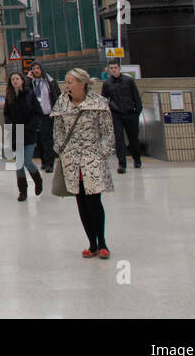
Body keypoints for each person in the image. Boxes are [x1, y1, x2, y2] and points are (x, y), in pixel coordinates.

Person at [52, 68, 116, 258]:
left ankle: (103, 243)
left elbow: (108, 131)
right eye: (66, 81)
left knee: (94, 200)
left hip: (92, 157)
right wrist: (61, 150)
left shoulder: (98, 103)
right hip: (71, 159)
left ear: (82, 84)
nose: (67, 85)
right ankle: (92, 243)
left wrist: (102, 153)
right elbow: (58, 130)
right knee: (81, 201)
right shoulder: (62, 103)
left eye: (70, 82)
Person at [3, 71, 43, 201]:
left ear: (22, 80)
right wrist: (10, 125)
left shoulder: (30, 95)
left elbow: (38, 113)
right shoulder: (9, 96)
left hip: (28, 133)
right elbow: (6, 113)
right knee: (19, 164)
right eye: (12, 79)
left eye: (17, 78)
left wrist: (31, 127)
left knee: (27, 161)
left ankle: (38, 180)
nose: (15, 81)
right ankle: (22, 191)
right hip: (16, 133)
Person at [101, 61, 144, 173]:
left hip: (130, 113)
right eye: (111, 68)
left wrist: (137, 112)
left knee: (133, 138)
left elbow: (136, 96)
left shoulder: (128, 81)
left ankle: (137, 159)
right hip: (116, 114)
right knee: (119, 139)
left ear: (119, 68)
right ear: (109, 69)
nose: (113, 70)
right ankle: (122, 164)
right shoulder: (107, 84)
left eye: (115, 67)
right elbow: (104, 100)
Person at [29, 62, 60, 172]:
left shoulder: (50, 82)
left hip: (48, 115)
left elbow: (56, 96)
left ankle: (49, 163)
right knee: (39, 140)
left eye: (38, 68)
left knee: (48, 141)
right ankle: (43, 161)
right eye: (34, 68)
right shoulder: (31, 83)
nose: (36, 70)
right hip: (36, 116)